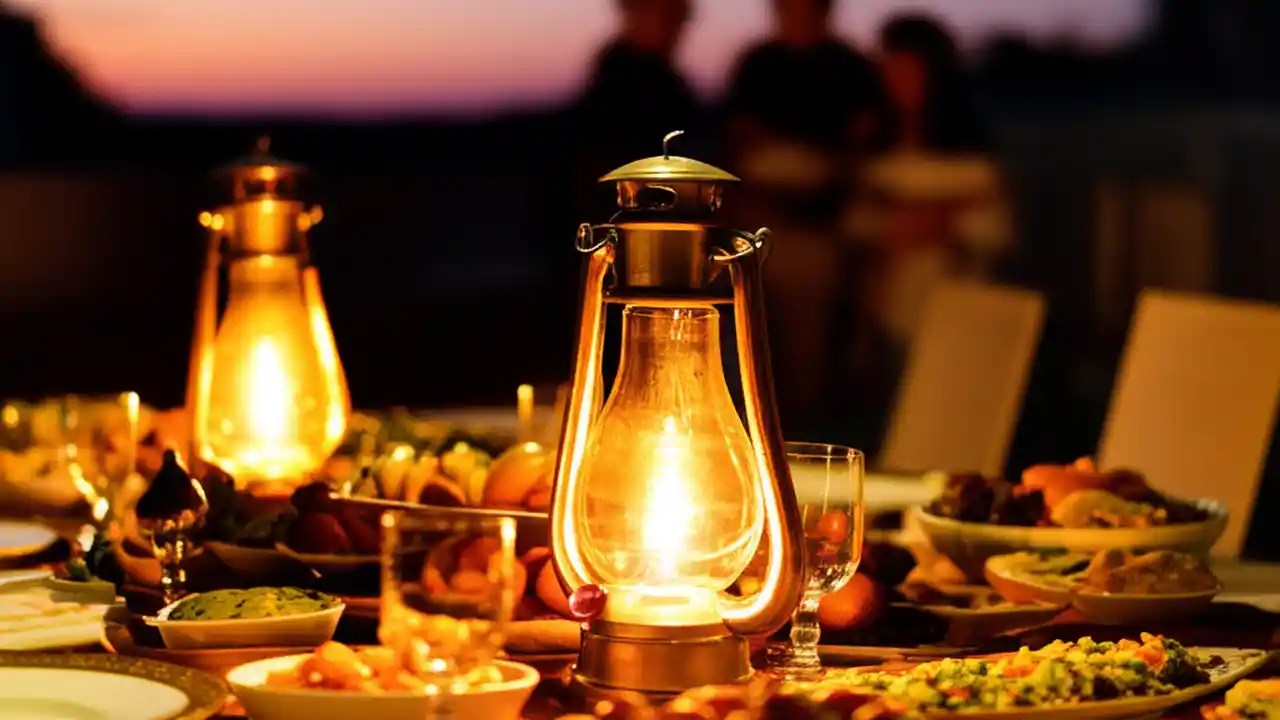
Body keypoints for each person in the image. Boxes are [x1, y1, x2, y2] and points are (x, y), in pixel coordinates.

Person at [721, 0, 881, 437]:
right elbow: (736, 142)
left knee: (810, 351)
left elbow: (861, 148)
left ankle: (803, 439)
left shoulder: (848, 68)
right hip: (757, 227)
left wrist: (819, 186)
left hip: (819, 233)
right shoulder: (757, 66)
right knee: (752, 342)